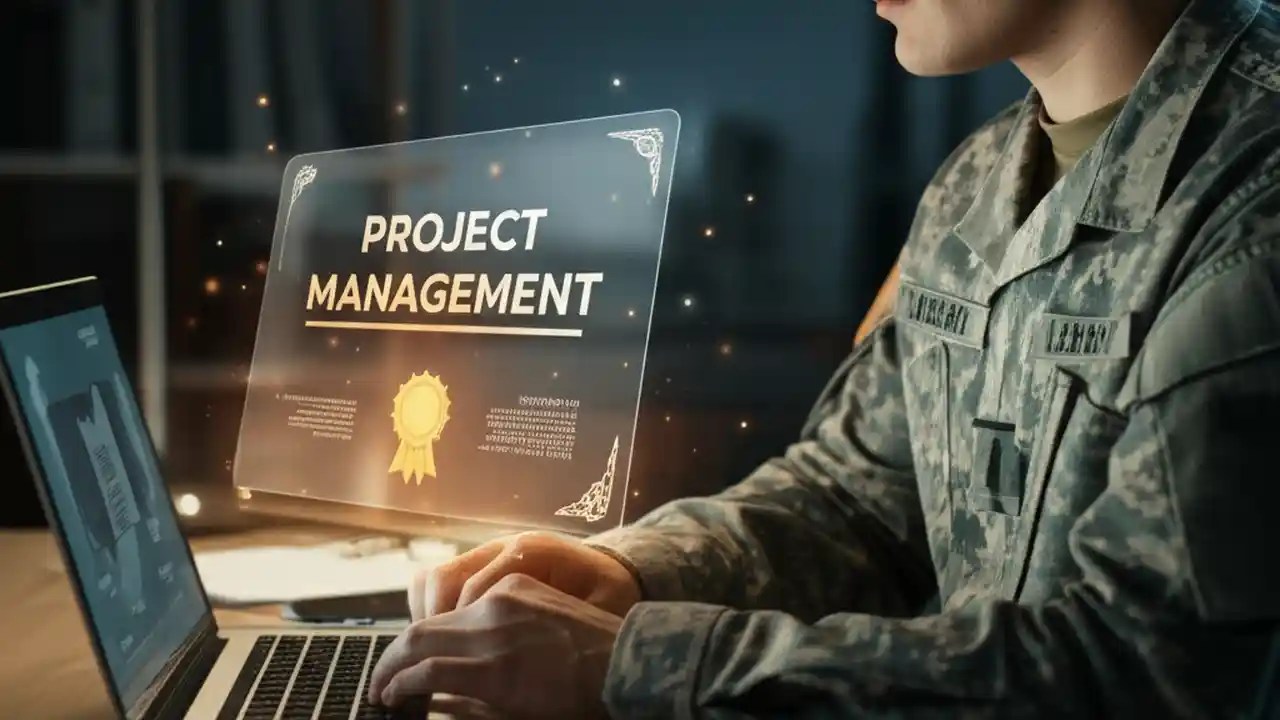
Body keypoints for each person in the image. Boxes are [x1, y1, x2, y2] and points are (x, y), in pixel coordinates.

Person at [369, 0, 1280, 716]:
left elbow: (1147, 672)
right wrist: (638, 573)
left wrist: (635, 666)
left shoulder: (1253, 208)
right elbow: (862, 498)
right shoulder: (982, 176)